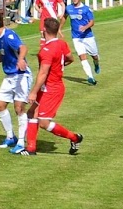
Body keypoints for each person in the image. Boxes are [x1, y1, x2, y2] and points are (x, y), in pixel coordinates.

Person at [22, 16, 83, 157]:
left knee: (43, 122)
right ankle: (31, 148)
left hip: (52, 89)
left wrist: (33, 92)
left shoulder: (46, 50)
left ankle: (75, 138)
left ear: (44, 30)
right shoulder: (61, 44)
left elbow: (43, 73)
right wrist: (59, 67)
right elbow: (70, 58)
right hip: (50, 87)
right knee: (32, 113)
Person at [0, 10, 31, 152]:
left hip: (21, 75)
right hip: (10, 76)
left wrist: (21, 60)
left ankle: (21, 143)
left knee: (19, 108)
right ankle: (10, 137)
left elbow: (23, 47)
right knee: (0, 105)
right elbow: (2, 55)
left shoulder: (9, 36)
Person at [65, 0, 99, 85]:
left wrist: (85, 27)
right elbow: (64, 16)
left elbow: (92, 22)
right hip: (76, 37)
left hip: (88, 36)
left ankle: (96, 64)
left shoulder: (86, 9)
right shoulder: (69, 8)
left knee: (95, 56)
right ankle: (90, 77)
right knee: (82, 57)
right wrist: (59, 28)